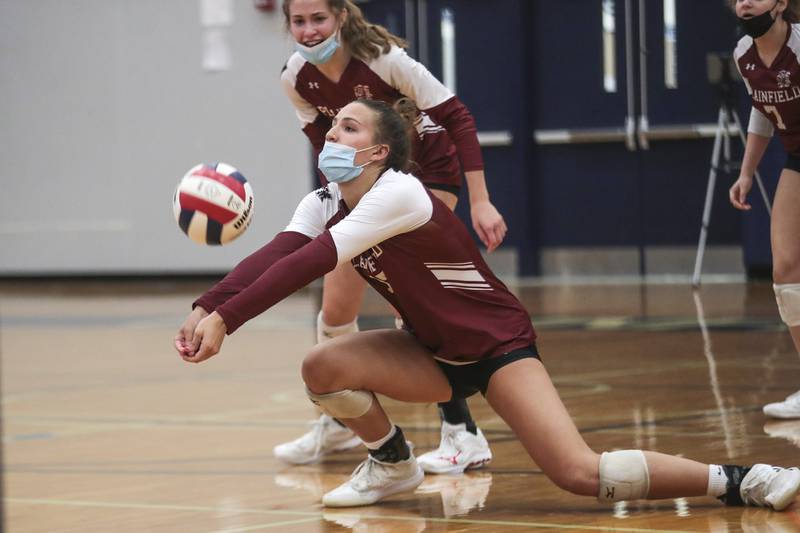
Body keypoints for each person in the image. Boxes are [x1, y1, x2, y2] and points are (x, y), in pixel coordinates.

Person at [175, 99, 800, 510]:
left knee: (578, 473)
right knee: (322, 365)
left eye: (347, 127)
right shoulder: (323, 201)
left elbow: (310, 263)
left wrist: (229, 321)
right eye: (332, 124)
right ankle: (391, 462)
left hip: (496, 344)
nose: (330, 134)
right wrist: (208, 305)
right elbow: (278, 252)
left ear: (377, 151)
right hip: (430, 350)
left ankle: (740, 478)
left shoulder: (399, 195)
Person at [275, 0, 506, 470]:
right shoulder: (296, 77)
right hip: (365, 184)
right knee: (336, 304)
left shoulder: (384, 60)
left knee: (412, 299)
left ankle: (463, 433)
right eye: (298, 21)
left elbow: (458, 117)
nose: (309, 30)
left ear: (341, 16)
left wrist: (481, 200)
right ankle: (340, 422)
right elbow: (328, 147)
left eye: (318, 18)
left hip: (425, 179)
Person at [730, 0, 800, 419]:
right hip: (796, 157)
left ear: (780, 3)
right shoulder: (744, 54)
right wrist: (745, 172)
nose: (745, 2)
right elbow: (762, 110)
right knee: (785, 270)